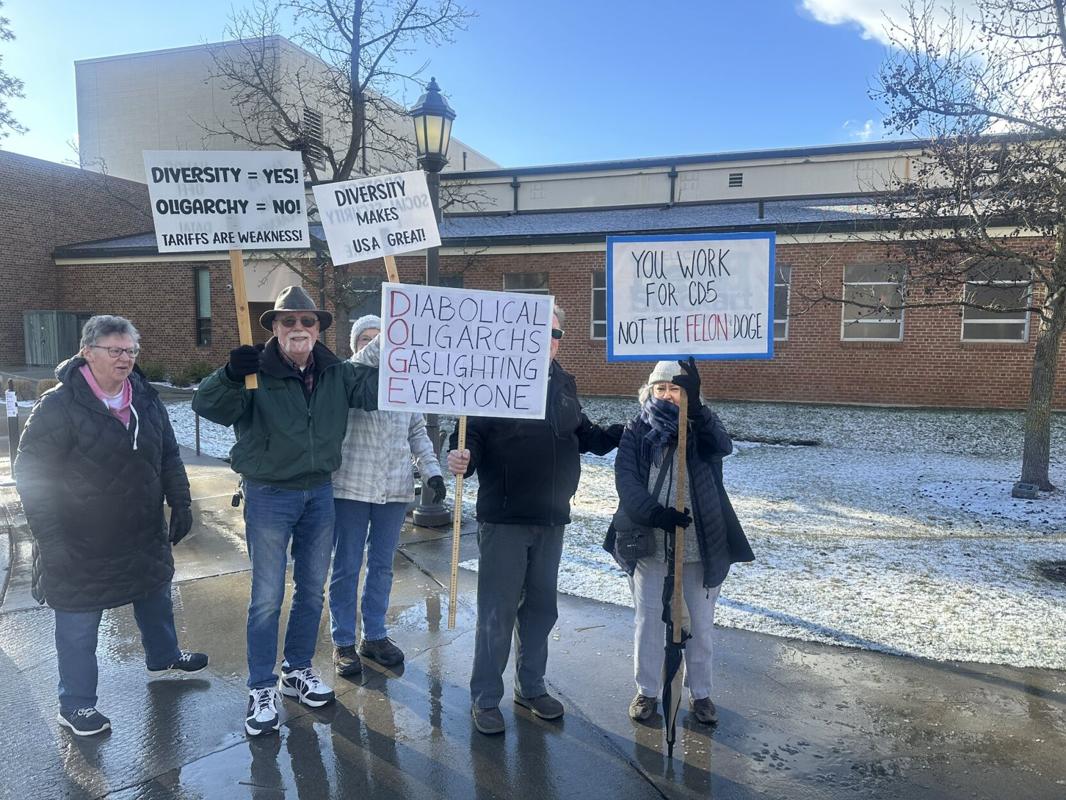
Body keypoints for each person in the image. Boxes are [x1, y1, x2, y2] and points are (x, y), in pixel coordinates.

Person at [193, 286, 378, 737]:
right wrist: (230, 375)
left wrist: (408, 341)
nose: (299, 328)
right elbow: (206, 405)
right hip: (269, 495)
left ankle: (297, 670)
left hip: (319, 493)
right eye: (288, 321)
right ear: (274, 328)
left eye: (307, 321)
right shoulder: (254, 372)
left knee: (312, 590)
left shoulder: (337, 372)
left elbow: (384, 389)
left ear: (319, 329)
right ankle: (261, 686)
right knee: (267, 596)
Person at [15, 315, 207, 737]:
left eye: (131, 351)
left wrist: (180, 499)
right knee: (79, 623)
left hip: (141, 528)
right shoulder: (59, 407)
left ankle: (164, 657)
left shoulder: (144, 396)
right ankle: (76, 704)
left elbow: (169, 453)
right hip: (80, 538)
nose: (125, 359)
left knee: (155, 596)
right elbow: (31, 476)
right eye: (115, 351)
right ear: (88, 352)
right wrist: (50, 540)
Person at [446, 306, 624, 735]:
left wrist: (619, 434)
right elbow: (472, 436)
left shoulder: (563, 383)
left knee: (541, 610)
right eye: (538, 331)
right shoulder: (491, 379)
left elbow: (581, 434)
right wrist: (461, 455)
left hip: (551, 518)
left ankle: (531, 686)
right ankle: (486, 697)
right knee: (498, 613)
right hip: (505, 518)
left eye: (555, 333)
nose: (548, 339)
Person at [610, 359, 753, 726]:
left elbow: (722, 446)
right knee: (649, 623)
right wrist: (656, 514)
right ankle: (647, 691)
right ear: (650, 391)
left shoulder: (702, 428)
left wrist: (700, 411)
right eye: (661, 388)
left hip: (700, 545)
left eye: (676, 389)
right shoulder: (636, 431)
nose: (668, 395)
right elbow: (626, 482)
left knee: (701, 625)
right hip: (649, 542)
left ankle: (701, 694)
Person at [328, 314, 446, 676]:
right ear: (354, 345)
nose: (373, 344)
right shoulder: (345, 378)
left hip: (393, 491)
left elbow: (417, 433)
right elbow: (363, 361)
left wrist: (433, 472)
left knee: (381, 566)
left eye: (378, 338)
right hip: (350, 487)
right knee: (346, 565)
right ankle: (343, 640)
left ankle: (374, 635)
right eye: (365, 338)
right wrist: (392, 337)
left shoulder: (404, 384)